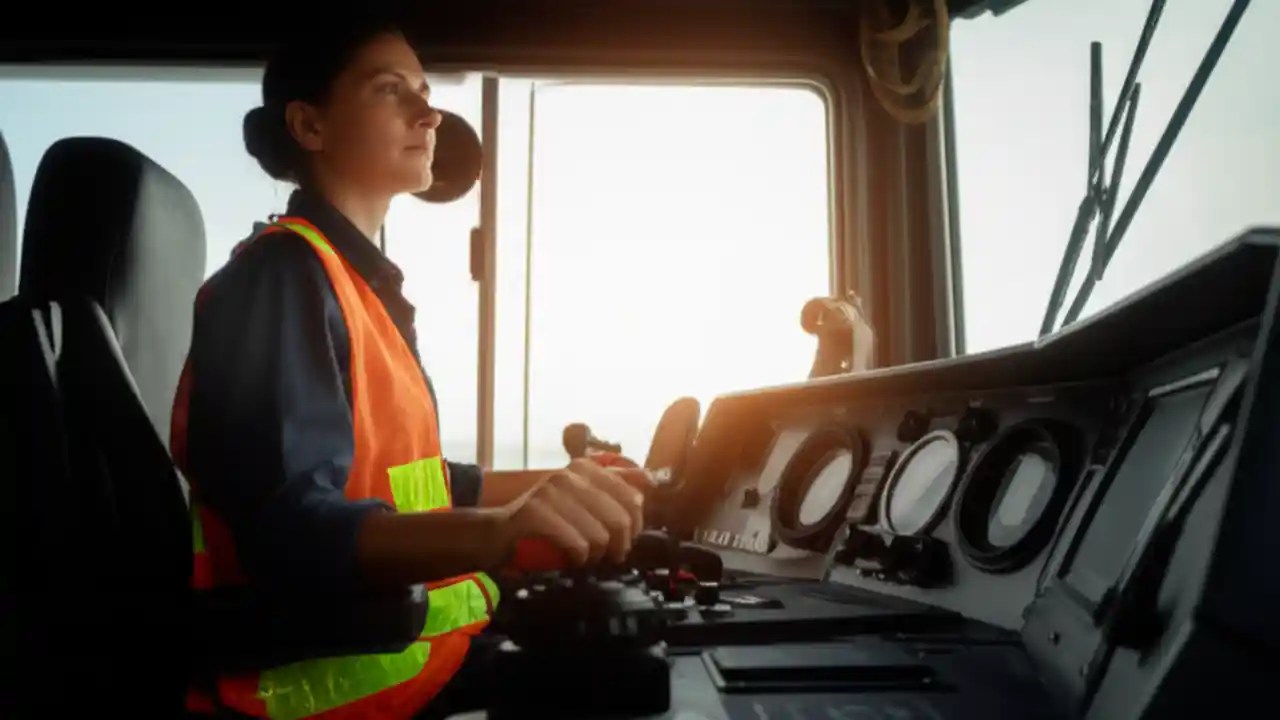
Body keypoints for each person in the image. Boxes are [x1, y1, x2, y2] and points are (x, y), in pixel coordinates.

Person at [170, 13, 650, 719]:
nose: (429, 112)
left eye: (424, 90)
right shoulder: (281, 279)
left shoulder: (356, 286)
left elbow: (417, 486)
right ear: (310, 126)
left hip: (422, 669)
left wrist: (563, 487)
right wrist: (502, 531)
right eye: (390, 90)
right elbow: (293, 533)